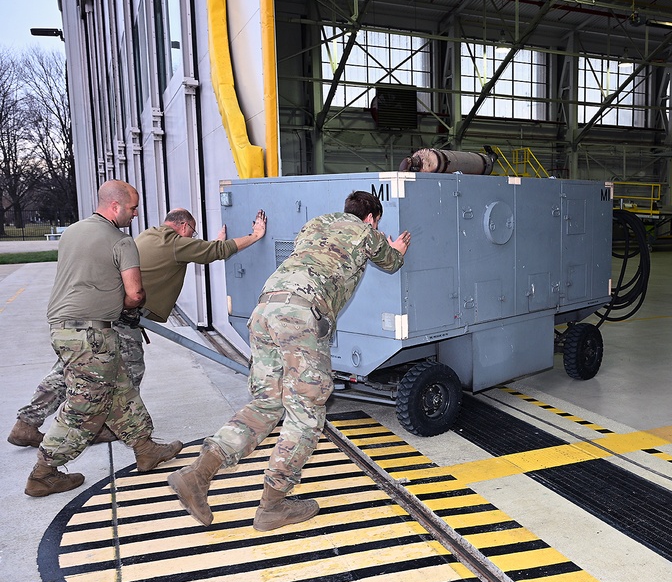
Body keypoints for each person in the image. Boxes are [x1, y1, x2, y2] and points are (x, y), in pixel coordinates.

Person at [168, 190, 411, 531]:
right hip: (300, 316)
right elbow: (391, 261)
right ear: (371, 218)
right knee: (306, 414)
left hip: (266, 308)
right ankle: (273, 506)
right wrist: (396, 248)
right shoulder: (365, 231)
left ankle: (197, 475)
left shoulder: (313, 225)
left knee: (268, 403)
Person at [7, 206, 267, 447]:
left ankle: (26, 422)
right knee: (128, 371)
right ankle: (117, 428)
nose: (192, 237)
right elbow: (214, 253)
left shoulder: (151, 236)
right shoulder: (175, 243)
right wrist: (255, 236)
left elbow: (203, 248)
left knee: (69, 370)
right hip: (121, 318)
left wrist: (212, 241)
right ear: (185, 226)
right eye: (193, 232)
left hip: (103, 314)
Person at [25, 180, 182, 497]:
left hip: (64, 328)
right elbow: (135, 293)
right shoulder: (121, 241)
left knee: (121, 389)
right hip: (91, 334)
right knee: (85, 406)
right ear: (115, 206)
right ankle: (43, 473)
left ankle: (145, 448)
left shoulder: (73, 232)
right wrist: (126, 304)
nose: (135, 214)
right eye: (132, 208)